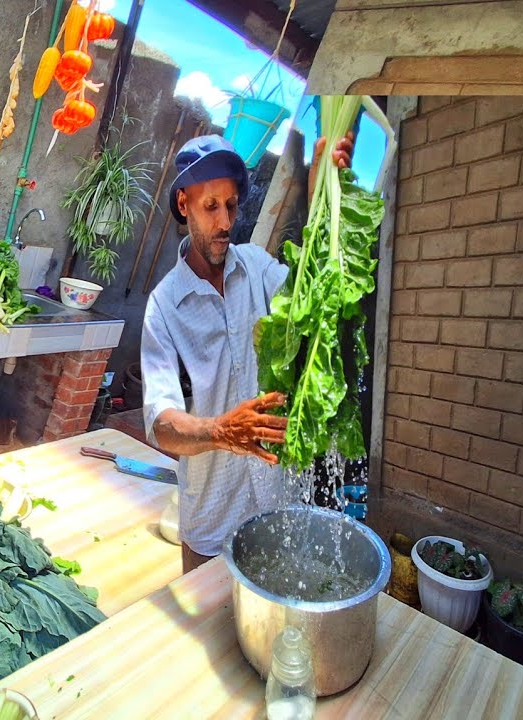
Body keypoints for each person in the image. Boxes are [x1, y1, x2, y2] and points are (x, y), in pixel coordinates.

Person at [141, 132, 353, 573]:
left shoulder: (257, 269)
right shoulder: (164, 306)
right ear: (184, 205)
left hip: (278, 511)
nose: (224, 223)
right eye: (210, 206)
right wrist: (221, 431)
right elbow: (162, 425)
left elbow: (309, 300)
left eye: (232, 206)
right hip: (211, 527)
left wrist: (323, 197)